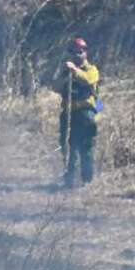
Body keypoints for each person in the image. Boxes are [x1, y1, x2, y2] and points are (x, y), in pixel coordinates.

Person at [46, 37, 101, 189]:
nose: (77, 55)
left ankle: (86, 181)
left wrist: (75, 71)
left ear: (85, 52)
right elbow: (55, 87)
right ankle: (70, 179)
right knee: (68, 146)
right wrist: (66, 76)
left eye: (80, 52)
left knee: (86, 148)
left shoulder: (91, 69)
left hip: (85, 114)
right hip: (69, 113)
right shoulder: (66, 72)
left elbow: (88, 80)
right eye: (73, 52)